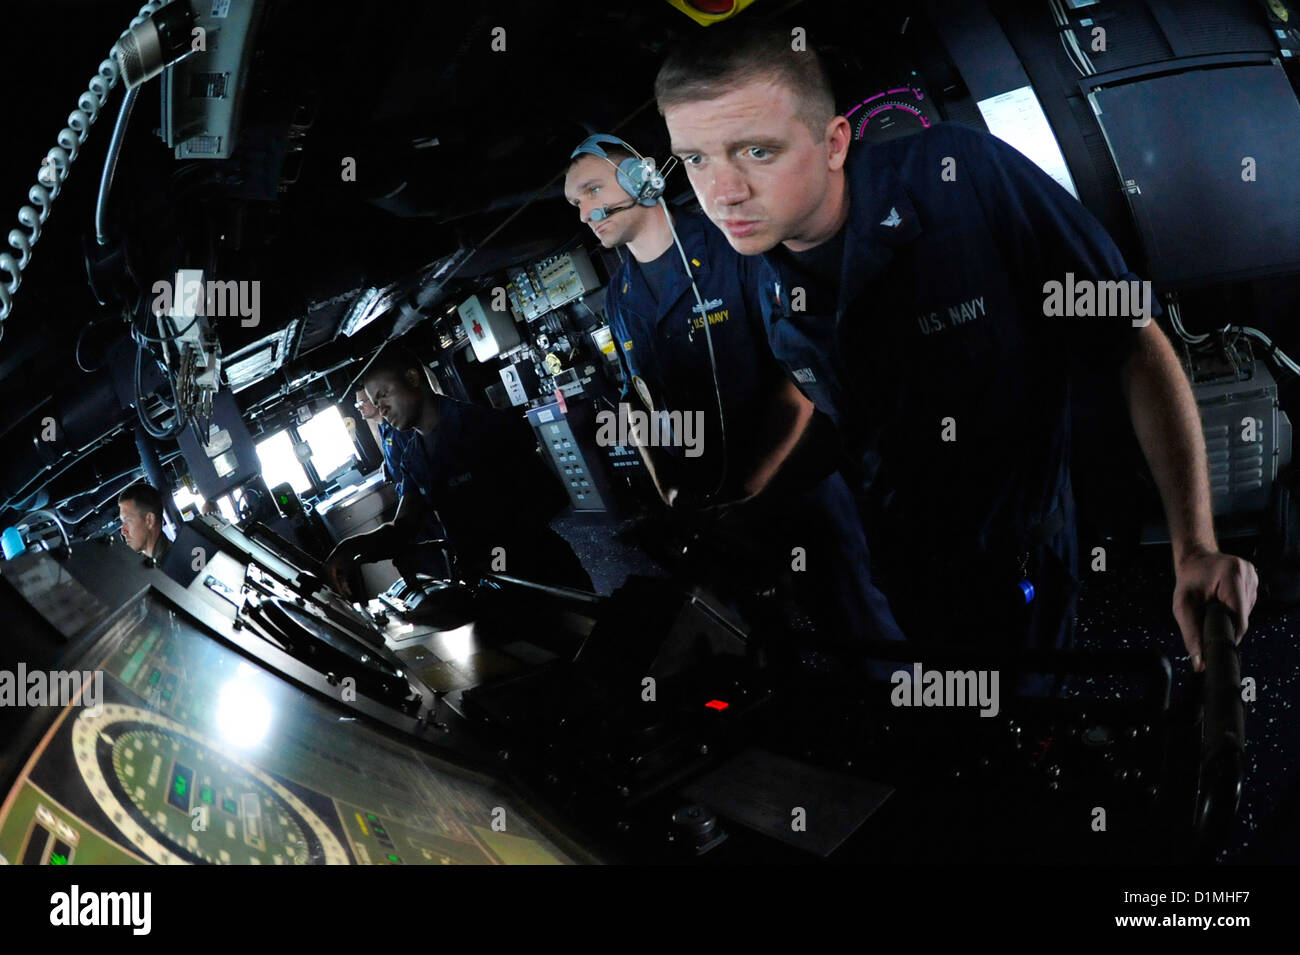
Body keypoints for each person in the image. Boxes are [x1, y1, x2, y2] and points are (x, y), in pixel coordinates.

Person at [654, 21, 1257, 670]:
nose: (722, 194)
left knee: (1023, 720)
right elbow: (843, 418)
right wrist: (750, 511)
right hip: (904, 562)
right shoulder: (753, 264)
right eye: (695, 159)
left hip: (1019, 554)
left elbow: (1133, 342)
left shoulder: (961, 177)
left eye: (756, 152)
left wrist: (1192, 543)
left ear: (833, 143)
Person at [564, 132, 903, 646]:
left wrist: (748, 492)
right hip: (711, 510)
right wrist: (671, 494)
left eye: (591, 190)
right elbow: (641, 402)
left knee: (856, 624)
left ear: (642, 176)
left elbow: (800, 376)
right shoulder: (618, 297)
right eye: (575, 203)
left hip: (798, 484)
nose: (586, 212)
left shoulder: (732, 244)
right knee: (765, 642)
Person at [324, 344, 592, 595]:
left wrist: (492, 535)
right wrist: (351, 547)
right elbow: (403, 527)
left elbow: (551, 496)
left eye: (383, 394)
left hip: (545, 574)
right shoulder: (413, 457)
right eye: (375, 400)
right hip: (490, 582)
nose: (380, 408)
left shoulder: (483, 426)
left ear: (413, 379)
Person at [355, 388, 410, 496]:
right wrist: (387, 461)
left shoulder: (396, 427)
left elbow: (413, 461)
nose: (359, 407)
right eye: (357, 404)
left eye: (362, 402)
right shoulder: (382, 427)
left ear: (374, 399)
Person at [119, 483, 172, 564]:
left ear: (150, 520)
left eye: (128, 520)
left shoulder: (175, 564)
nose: (123, 531)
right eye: (123, 522)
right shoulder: (142, 567)